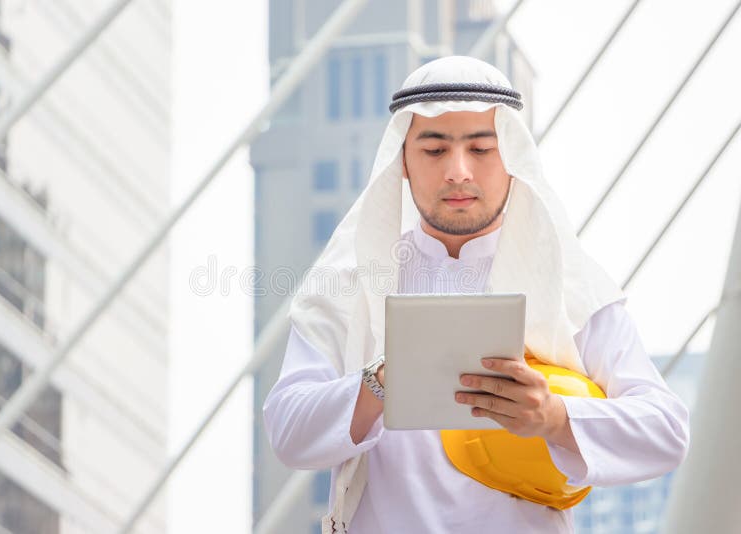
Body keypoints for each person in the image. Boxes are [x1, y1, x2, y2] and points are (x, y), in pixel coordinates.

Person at [263, 56, 689, 534]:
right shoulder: (349, 284)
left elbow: (666, 431)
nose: (458, 171)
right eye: (434, 150)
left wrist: (552, 415)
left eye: (482, 149)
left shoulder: (570, 283)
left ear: (511, 155)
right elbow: (287, 432)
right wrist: (380, 382)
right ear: (402, 161)